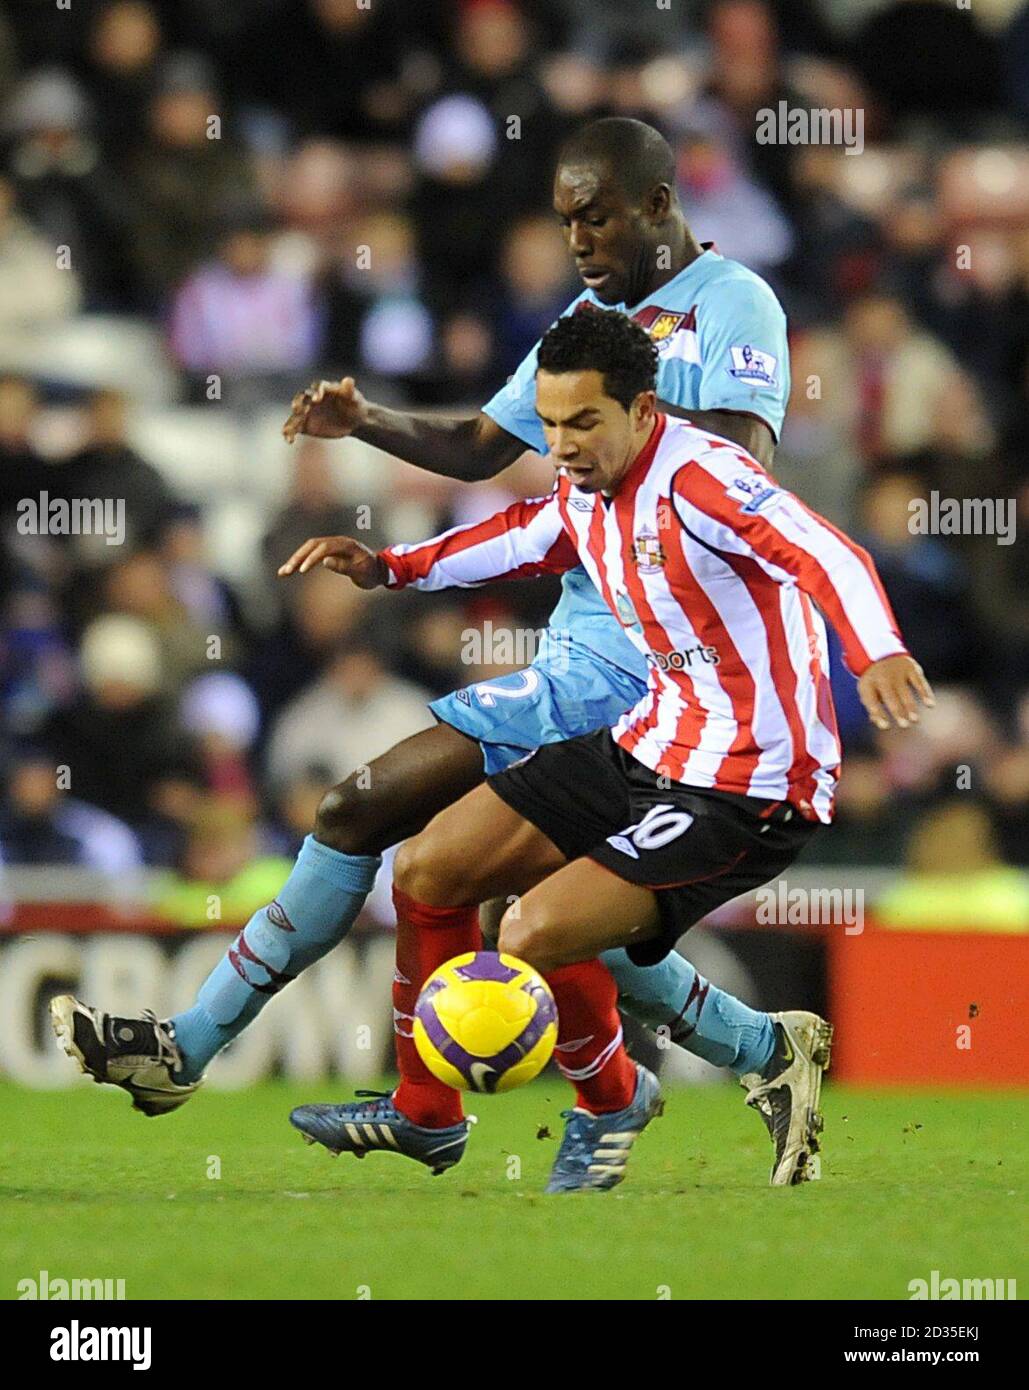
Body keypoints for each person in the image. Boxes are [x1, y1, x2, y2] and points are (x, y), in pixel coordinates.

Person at [50, 118, 811, 1181]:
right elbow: (480, 445)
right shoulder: (584, 323)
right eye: (563, 221)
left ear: (656, 204)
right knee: (486, 888)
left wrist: (612, 451)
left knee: (399, 829)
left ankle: (223, 1050)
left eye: (595, 215)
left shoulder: (737, 306)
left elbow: (743, 467)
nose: (579, 240)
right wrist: (367, 419)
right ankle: (745, 1052)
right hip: (579, 652)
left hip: (664, 668)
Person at [286, 309, 932, 1192]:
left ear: (641, 408)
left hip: (749, 782)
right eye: (549, 425)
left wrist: (876, 650)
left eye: (584, 422)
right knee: (430, 868)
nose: (563, 444)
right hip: (650, 744)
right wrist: (388, 568)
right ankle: (435, 1108)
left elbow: (826, 551)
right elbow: (516, 538)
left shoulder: (705, 477)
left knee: (535, 928)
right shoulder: (582, 490)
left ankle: (613, 1104)